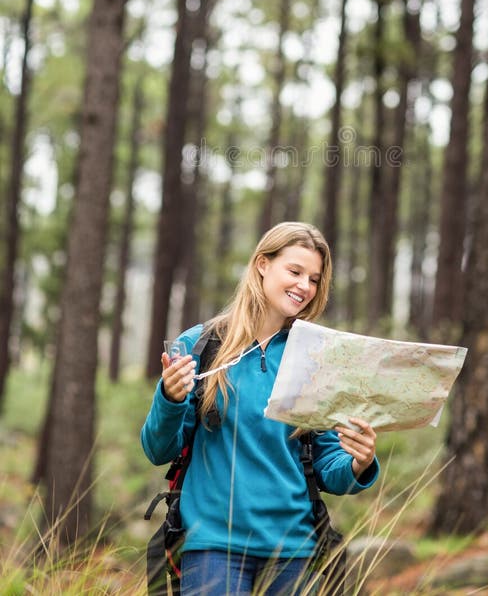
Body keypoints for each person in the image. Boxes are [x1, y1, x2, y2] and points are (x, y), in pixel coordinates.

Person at [141, 221, 379, 595]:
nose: (304, 286)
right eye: (295, 271)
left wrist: (358, 463)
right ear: (262, 264)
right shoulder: (201, 345)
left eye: (314, 279)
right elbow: (157, 450)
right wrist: (170, 398)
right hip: (211, 547)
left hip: (294, 550)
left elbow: (330, 470)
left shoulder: (317, 357)